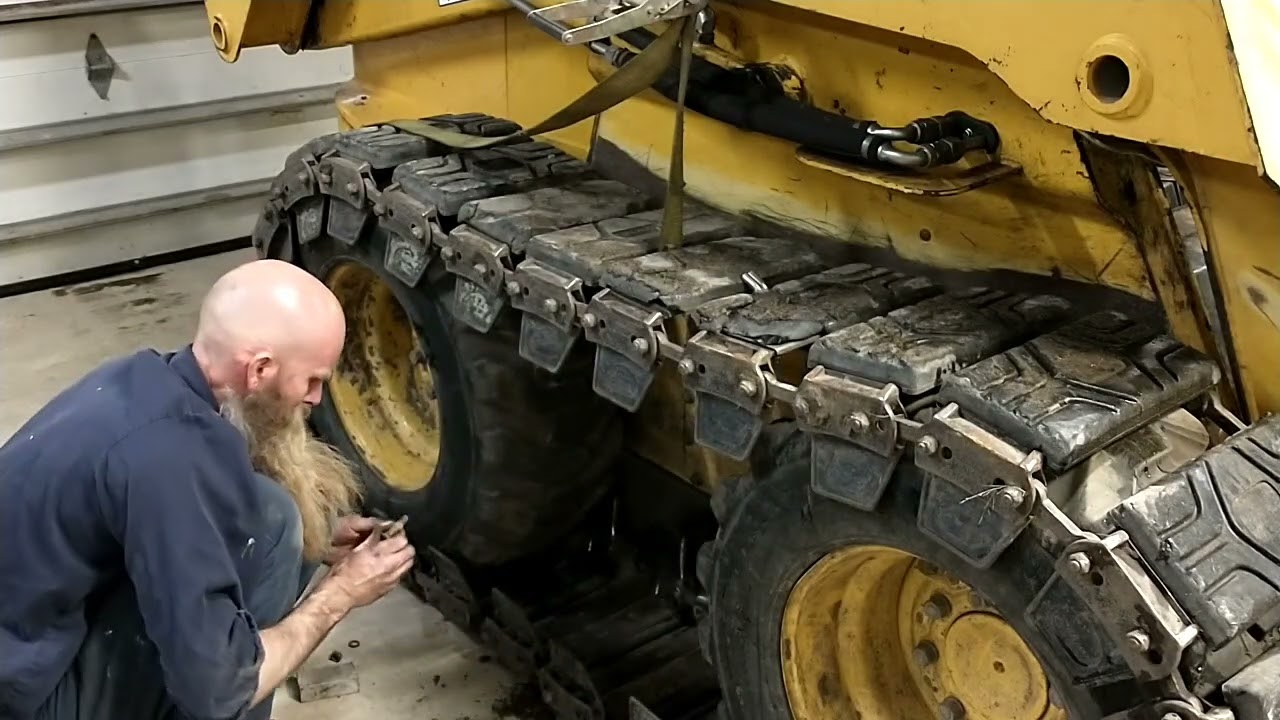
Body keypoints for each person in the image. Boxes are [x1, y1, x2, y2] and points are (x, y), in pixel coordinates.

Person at [0, 259, 416, 720]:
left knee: (272, 517)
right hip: (27, 698)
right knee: (256, 582)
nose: (316, 398)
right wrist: (339, 594)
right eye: (313, 379)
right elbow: (218, 693)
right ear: (258, 370)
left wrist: (321, 542)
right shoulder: (168, 460)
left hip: (26, 634)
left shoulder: (143, 383)